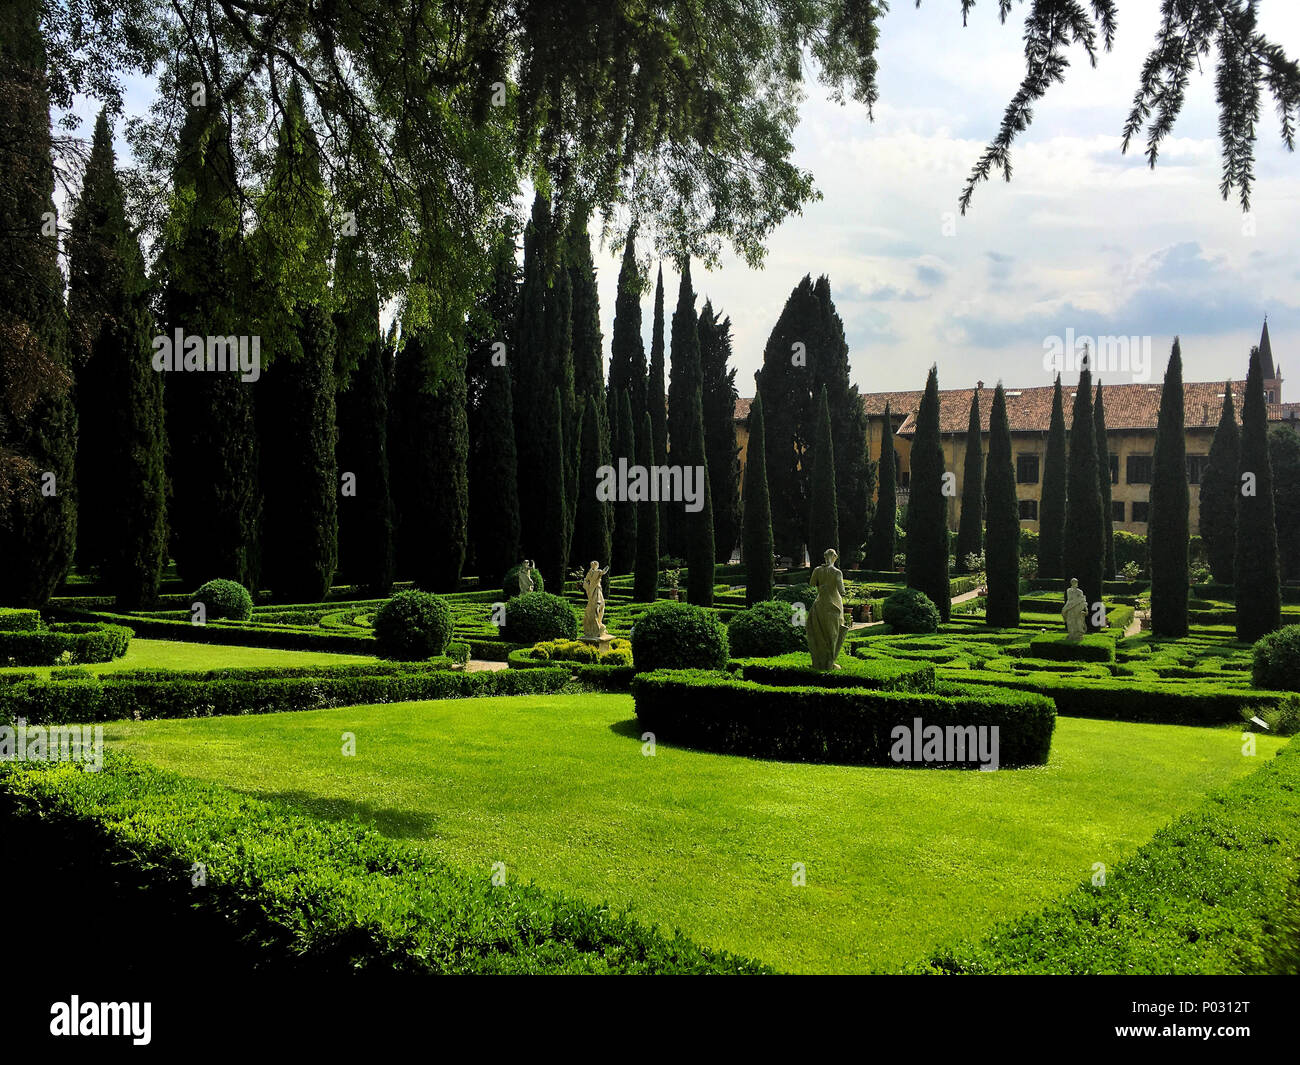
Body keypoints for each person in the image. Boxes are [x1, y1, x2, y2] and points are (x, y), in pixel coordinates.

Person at [807, 548, 850, 670]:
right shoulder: (837, 572)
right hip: (834, 605)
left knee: (818, 632)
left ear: (825, 557)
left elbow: (811, 584)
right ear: (835, 557)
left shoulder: (817, 570)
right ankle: (830, 662)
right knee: (833, 634)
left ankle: (818, 662)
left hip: (820, 604)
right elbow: (842, 591)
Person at [582, 560, 610, 639]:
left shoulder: (598, 572)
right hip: (592, 590)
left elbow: (602, 573)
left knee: (602, 605)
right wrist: (587, 586)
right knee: (596, 606)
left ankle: (599, 622)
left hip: (597, 589)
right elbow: (586, 580)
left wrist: (605, 570)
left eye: (594, 565)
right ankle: (596, 624)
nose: (593, 566)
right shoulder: (590, 572)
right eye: (592, 565)